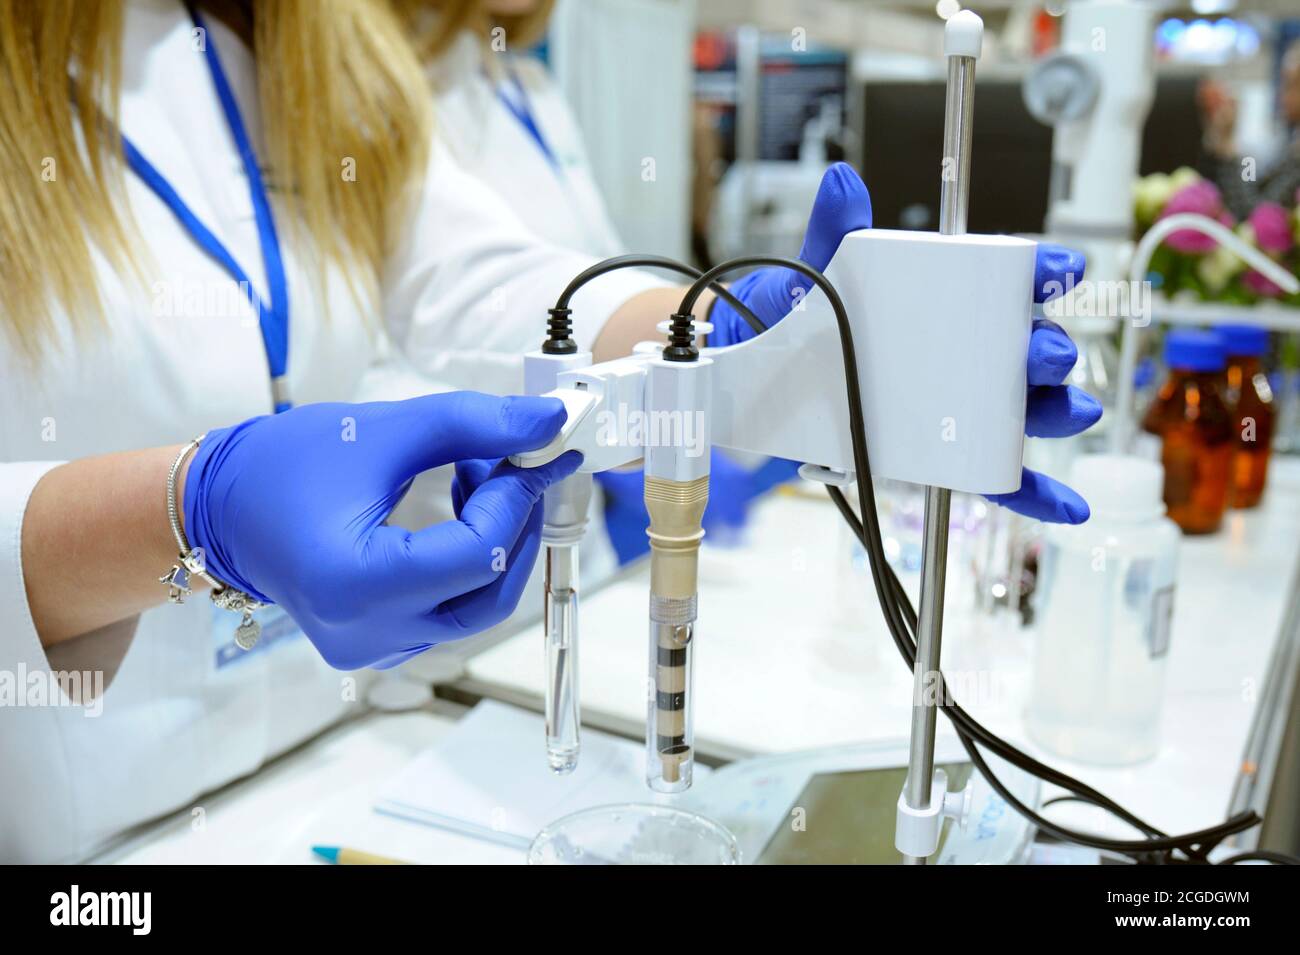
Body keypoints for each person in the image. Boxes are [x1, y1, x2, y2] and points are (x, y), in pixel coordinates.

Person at [0, 0, 1095, 862]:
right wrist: (186, 511)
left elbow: (497, 288)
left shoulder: (317, 55)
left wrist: (763, 347)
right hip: (86, 830)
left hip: (350, 768)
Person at [1200, 39, 1300, 220]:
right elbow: (1252, 181)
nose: (1282, 94)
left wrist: (1229, 149)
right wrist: (1237, 152)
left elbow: (1254, 217)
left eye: (1290, 84)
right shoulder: (1291, 145)